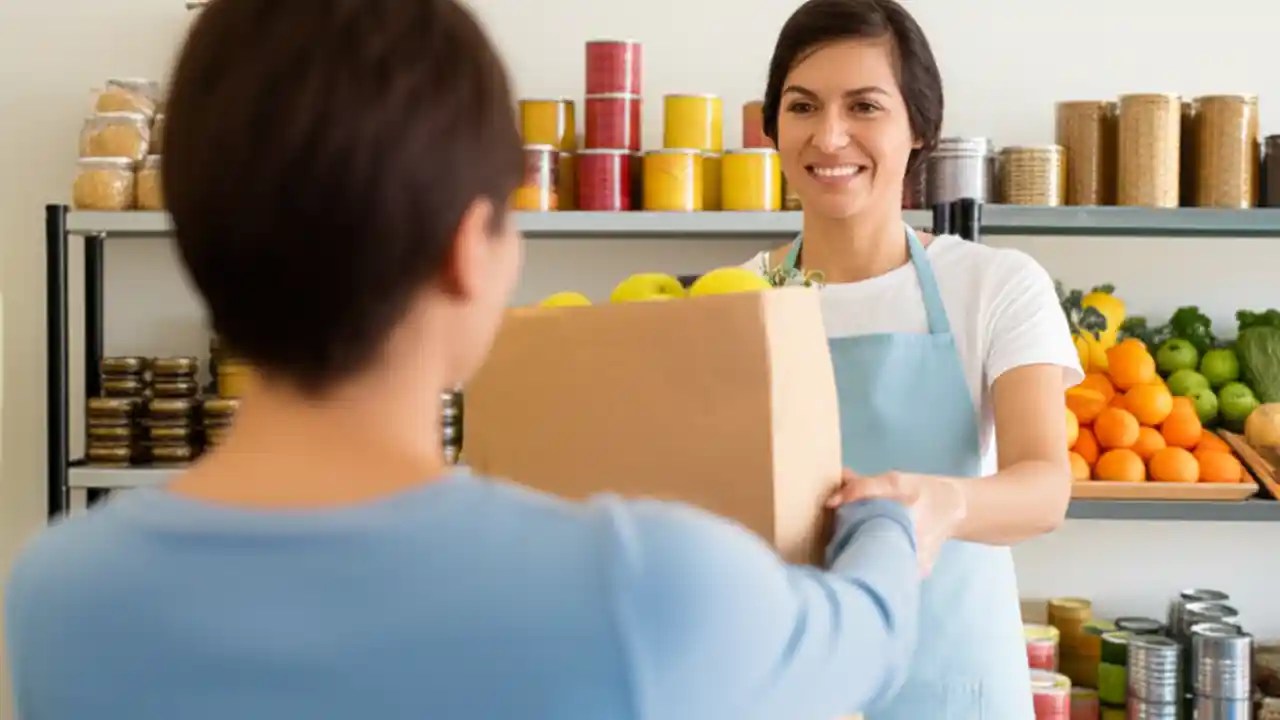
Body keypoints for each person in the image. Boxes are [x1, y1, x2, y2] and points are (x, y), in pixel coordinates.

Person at [4, 1, 964, 718]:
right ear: (471, 250)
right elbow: (871, 633)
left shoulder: (63, 595)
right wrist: (883, 517)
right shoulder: (642, 584)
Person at [747, 0, 1082, 717]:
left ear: (919, 128)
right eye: (802, 106)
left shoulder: (995, 284)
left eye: (864, 105)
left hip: (954, 684)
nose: (829, 135)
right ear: (773, 126)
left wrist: (944, 503)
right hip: (792, 683)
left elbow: (1046, 486)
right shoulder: (739, 296)